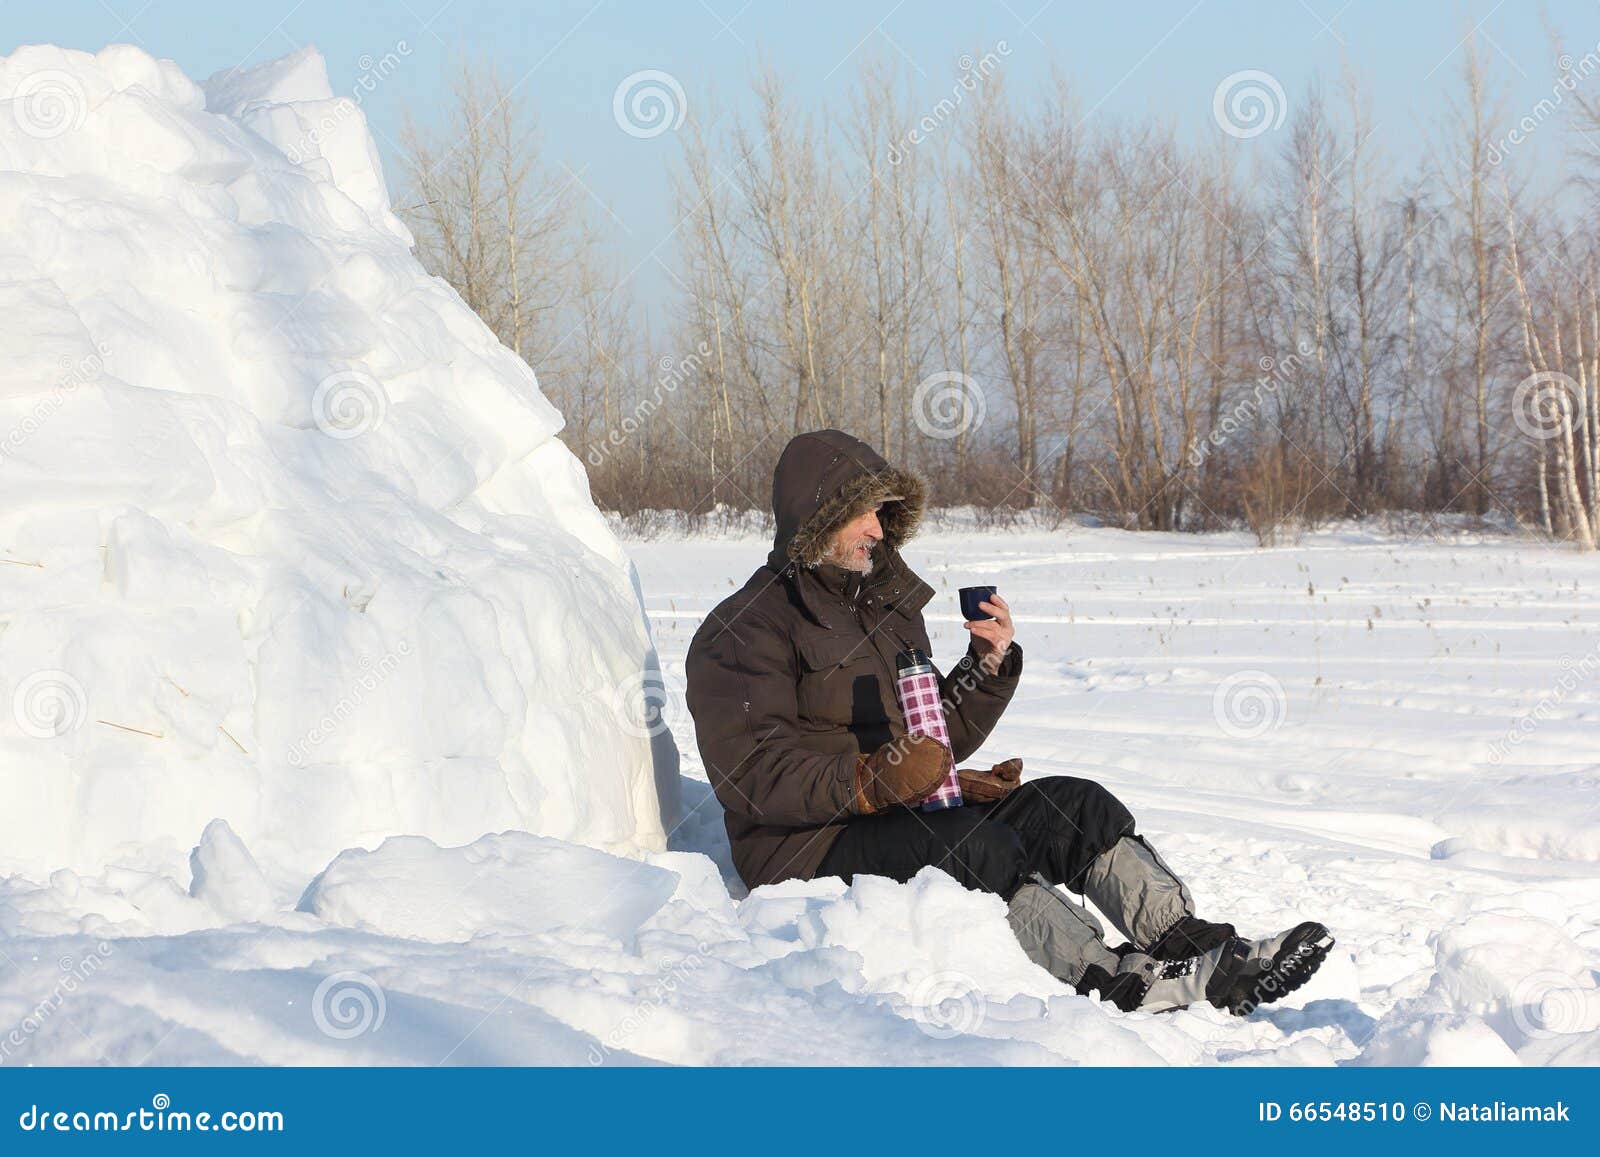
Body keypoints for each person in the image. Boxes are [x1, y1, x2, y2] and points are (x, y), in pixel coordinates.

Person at [685, 429, 1332, 1014]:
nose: (879, 530)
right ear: (818, 513)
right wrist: (870, 780)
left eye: (883, 513)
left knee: (1074, 805)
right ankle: (1116, 980)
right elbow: (752, 775)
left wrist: (987, 664)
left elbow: (933, 732)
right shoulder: (744, 628)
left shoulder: (880, 607)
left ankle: (1206, 952)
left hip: (899, 812)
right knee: (973, 842)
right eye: (863, 512)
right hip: (804, 845)